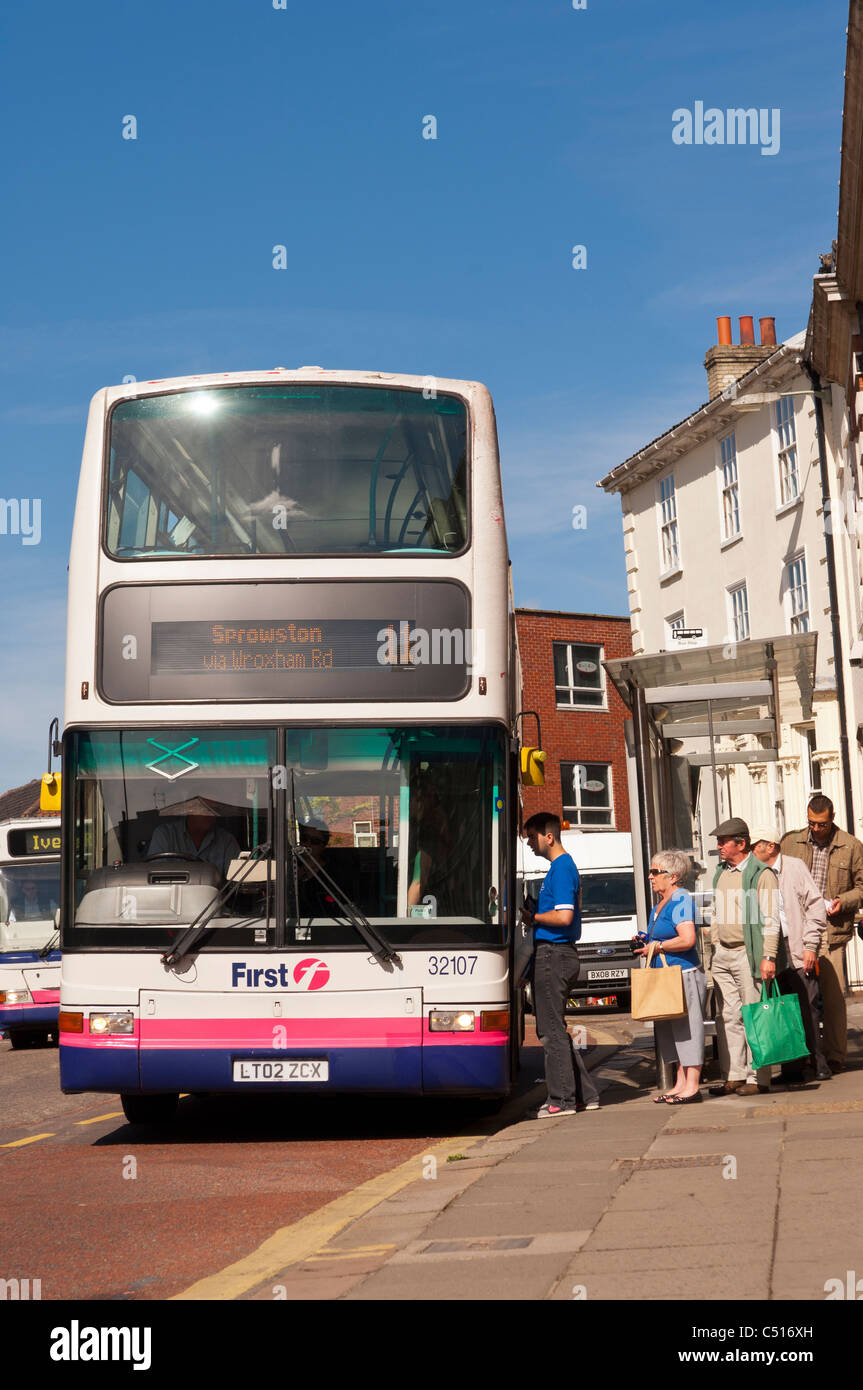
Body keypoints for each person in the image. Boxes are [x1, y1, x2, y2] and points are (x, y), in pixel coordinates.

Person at [780, 795, 863, 1074]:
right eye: (812, 824)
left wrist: (844, 900)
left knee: (833, 996)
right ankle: (804, 1054)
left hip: (832, 930)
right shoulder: (791, 842)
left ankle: (835, 1055)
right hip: (796, 928)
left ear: (833, 817)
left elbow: (862, 887)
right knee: (800, 995)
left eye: (822, 824)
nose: (816, 829)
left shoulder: (851, 846)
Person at [523, 811, 598, 1117]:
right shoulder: (559, 868)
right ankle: (583, 1095)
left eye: (531, 836)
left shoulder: (562, 868)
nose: (528, 843)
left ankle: (562, 1100)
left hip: (554, 955)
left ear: (548, 837)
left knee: (549, 1031)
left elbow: (564, 917)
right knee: (555, 1029)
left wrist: (533, 917)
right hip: (555, 954)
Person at [708, 817, 782, 1098]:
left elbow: (771, 919)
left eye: (723, 842)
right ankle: (736, 1074)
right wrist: (716, 943)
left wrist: (768, 956)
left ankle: (758, 1077)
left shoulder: (760, 873)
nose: (719, 847)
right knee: (729, 1016)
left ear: (741, 843)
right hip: (724, 954)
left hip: (746, 953)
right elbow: (717, 911)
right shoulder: (722, 873)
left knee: (753, 1016)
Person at [751, 826, 829, 1085]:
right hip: (772, 948)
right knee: (782, 1009)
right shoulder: (755, 874)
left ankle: (819, 1063)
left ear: (770, 846)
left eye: (755, 846)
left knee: (809, 1006)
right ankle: (792, 1067)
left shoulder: (794, 867)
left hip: (796, 944)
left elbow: (816, 905)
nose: (751, 851)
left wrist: (810, 946)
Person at [635, 849, 707, 1104]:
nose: (650, 877)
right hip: (667, 976)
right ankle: (680, 1082)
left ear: (673, 876)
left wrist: (658, 947)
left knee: (687, 1030)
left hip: (683, 974)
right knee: (672, 1032)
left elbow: (687, 939)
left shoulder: (681, 900)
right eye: (651, 871)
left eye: (655, 872)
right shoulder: (662, 903)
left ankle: (693, 1085)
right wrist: (647, 940)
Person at [147, 797, 240, 878]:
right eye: (205, 808)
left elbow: (235, 883)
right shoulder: (165, 834)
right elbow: (155, 877)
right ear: (190, 809)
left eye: (214, 809)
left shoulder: (227, 841)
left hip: (212, 898)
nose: (211, 814)